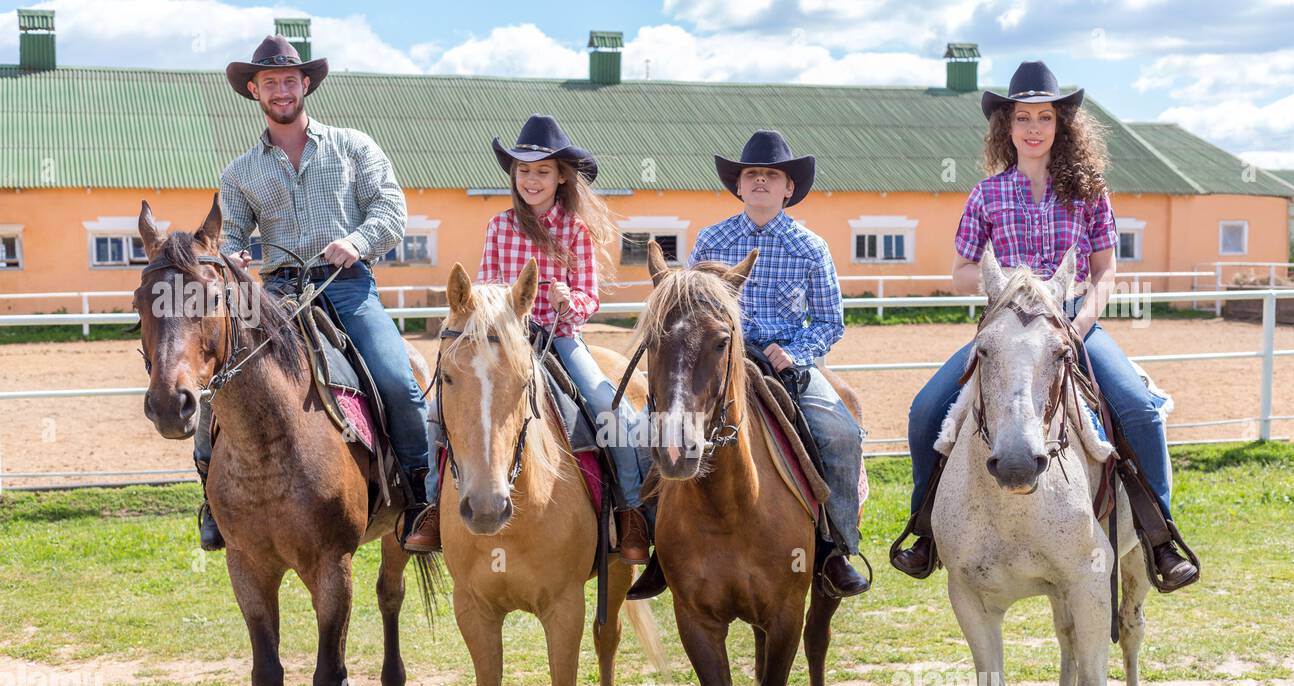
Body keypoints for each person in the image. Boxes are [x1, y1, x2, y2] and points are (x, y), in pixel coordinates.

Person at [890, 60, 1198, 591]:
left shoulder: (1089, 190)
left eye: (1044, 118)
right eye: (1022, 118)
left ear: (1061, 126)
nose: (1033, 128)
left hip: (1072, 324)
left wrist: (1079, 324)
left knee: (1141, 411)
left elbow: (1106, 273)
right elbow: (960, 272)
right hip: (1006, 333)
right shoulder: (987, 194)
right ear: (1006, 127)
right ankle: (926, 530)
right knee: (923, 411)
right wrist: (1000, 285)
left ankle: (1159, 535)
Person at [189, 35, 431, 551]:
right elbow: (230, 235)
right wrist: (233, 256)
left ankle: (419, 499)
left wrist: (357, 240)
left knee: (397, 381)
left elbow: (391, 212)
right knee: (217, 387)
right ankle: (213, 504)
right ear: (254, 90)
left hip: (346, 286)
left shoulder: (353, 146)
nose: (281, 90)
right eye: (269, 82)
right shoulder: (238, 173)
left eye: (289, 80)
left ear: (305, 85)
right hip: (276, 296)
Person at [403, 115, 653, 560]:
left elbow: (589, 297)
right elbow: (481, 290)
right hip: (503, 342)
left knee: (610, 411)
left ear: (561, 177)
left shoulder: (576, 229)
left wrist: (566, 302)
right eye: (523, 171)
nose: (531, 180)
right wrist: (491, 310)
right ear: (513, 176)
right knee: (436, 411)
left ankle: (630, 512)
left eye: (542, 171)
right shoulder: (501, 226)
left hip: (560, 338)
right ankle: (430, 505)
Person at [685, 129, 871, 598]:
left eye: (772, 176)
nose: (761, 182)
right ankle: (657, 542)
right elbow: (687, 306)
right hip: (721, 360)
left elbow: (830, 321)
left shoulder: (811, 247)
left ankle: (835, 548)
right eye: (752, 175)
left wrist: (796, 352)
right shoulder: (711, 240)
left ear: (789, 188)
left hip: (787, 365)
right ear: (740, 186)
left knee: (841, 434)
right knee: (664, 421)